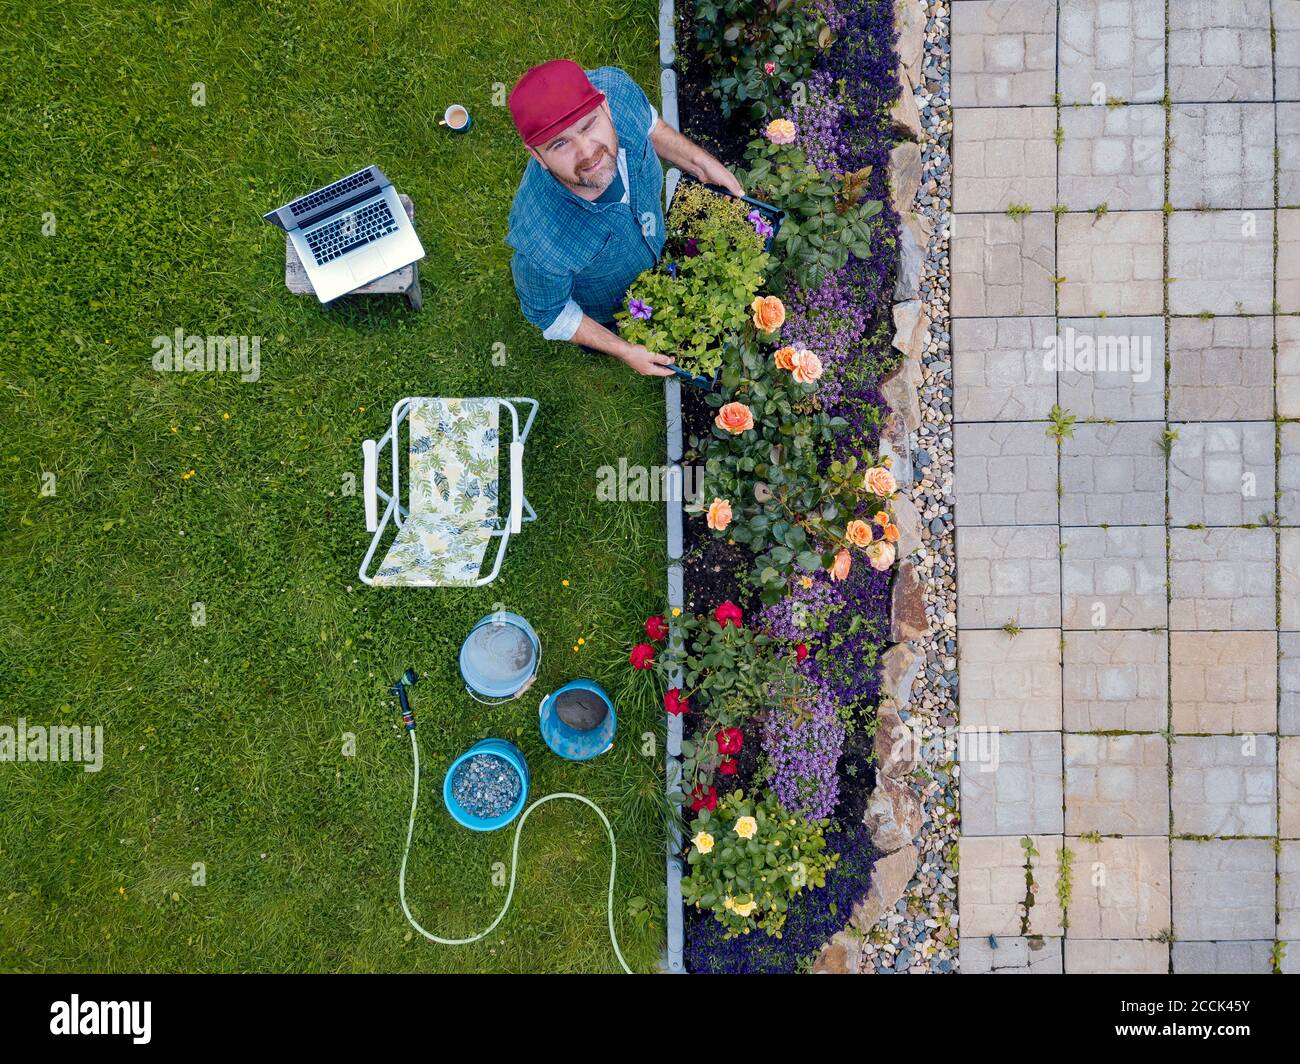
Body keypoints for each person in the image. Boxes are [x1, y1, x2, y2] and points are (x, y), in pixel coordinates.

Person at [505, 59, 744, 377]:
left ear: (605, 106)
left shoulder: (618, 92)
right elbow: (552, 314)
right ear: (537, 156)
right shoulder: (540, 246)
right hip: (608, 306)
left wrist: (700, 163)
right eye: (560, 143)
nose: (587, 152)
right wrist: (624, 350)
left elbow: (651, 127)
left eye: (588, 125)